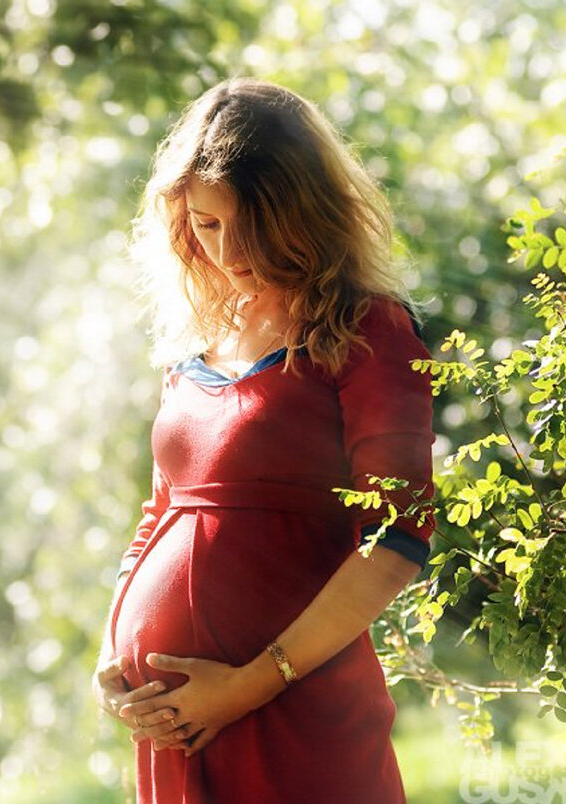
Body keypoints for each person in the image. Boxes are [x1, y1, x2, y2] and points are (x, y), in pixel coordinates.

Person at [92, 77, 437, 802]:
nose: (228, 249)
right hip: (177, 729)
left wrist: (247, 685)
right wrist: (112, 658)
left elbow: (397, 539)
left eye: (248, 222)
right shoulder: (198, 342)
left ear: (301, 210)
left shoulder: (368, 331)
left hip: (293, 710)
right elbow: (160, 516)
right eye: (207, 226)